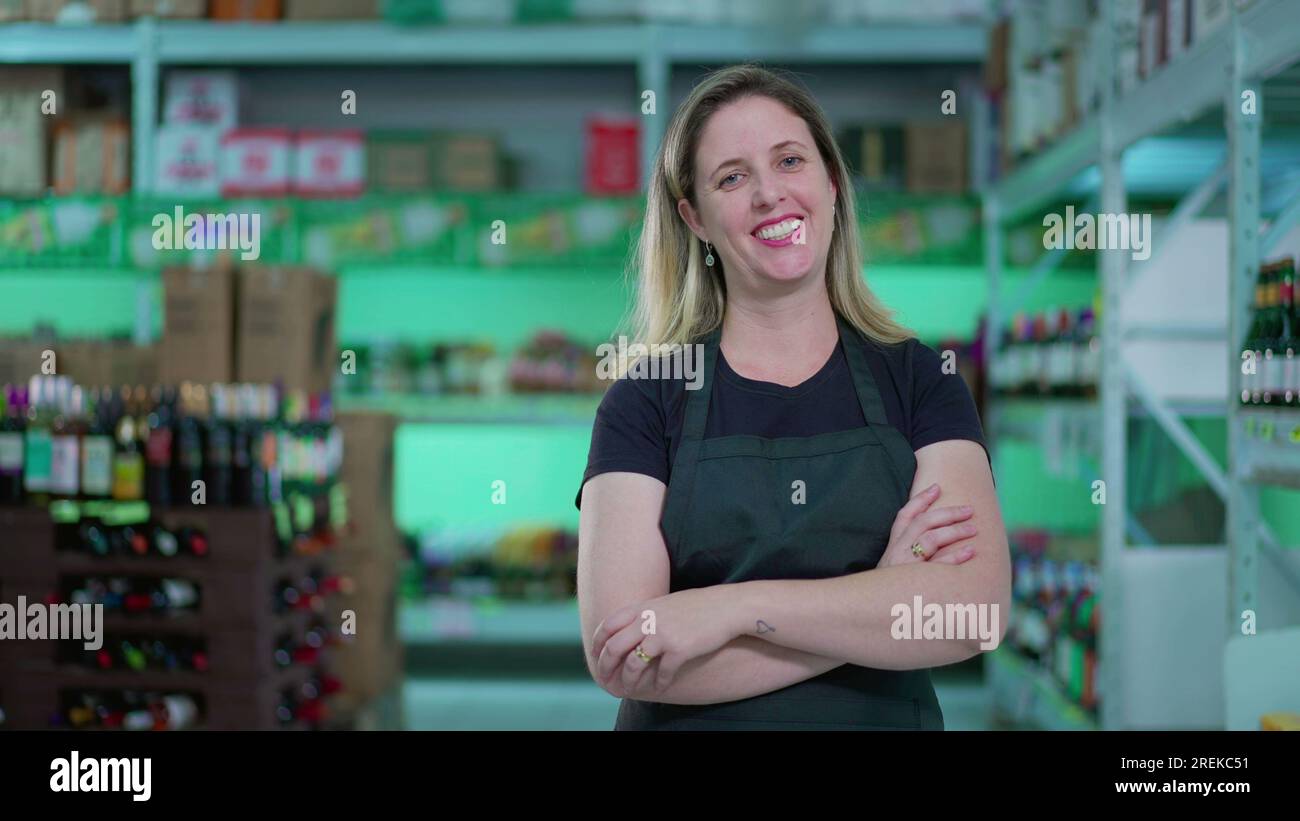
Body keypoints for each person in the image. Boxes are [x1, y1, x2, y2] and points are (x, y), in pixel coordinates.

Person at [575, 64, 1010, 730]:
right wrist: (879, 602)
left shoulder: (922, 380)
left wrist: (727, 610)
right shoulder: (644, 403)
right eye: (732, 176)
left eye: (789, 160)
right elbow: (624, 656)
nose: (769, 194)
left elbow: (973, 612)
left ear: (831, 182)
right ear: (694, 216)